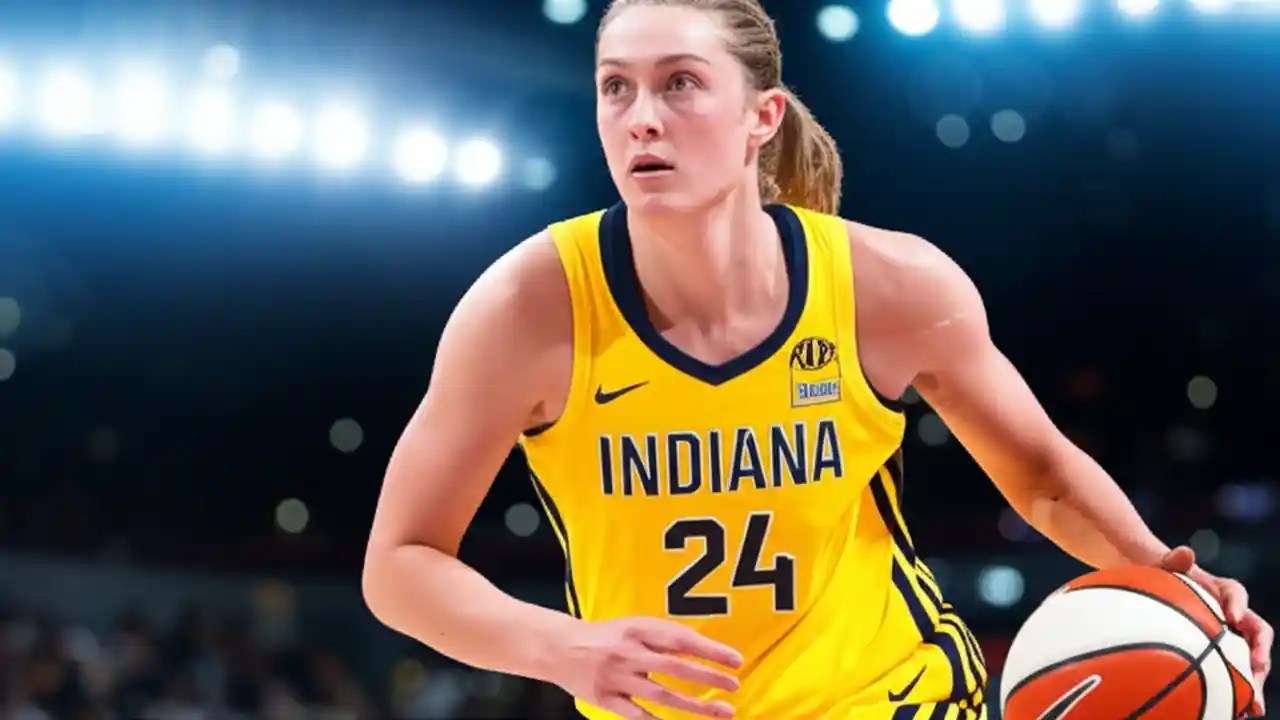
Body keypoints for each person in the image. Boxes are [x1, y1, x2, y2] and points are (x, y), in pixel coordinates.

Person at [361, 0, 1274, 718]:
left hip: (897, 698)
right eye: (616, 87)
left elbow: (1040, 475)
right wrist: (559, 647)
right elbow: (398, 562)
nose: (641, 118)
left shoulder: (888, 287)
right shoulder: (528, 307)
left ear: (762, 116)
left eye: (679, 83)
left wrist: (1172, 581)